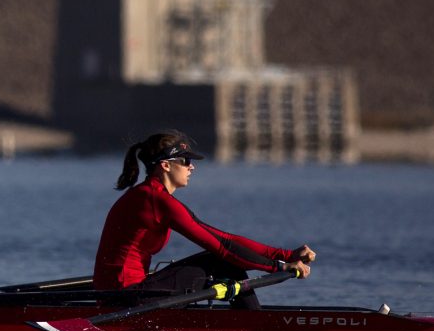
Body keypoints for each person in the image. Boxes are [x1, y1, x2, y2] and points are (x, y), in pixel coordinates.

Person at [92, 131, 315, 308]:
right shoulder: (155, 199)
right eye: (185, 160)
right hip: (123, 297)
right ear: (165, 165)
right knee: (224, 261)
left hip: (123, 291)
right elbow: (223, 247)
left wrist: (286, 255)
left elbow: (224, 239)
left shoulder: (150, 195)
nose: (192, 166)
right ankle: (255, 330)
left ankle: (251, 326)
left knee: (224, 259)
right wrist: (279, 266)